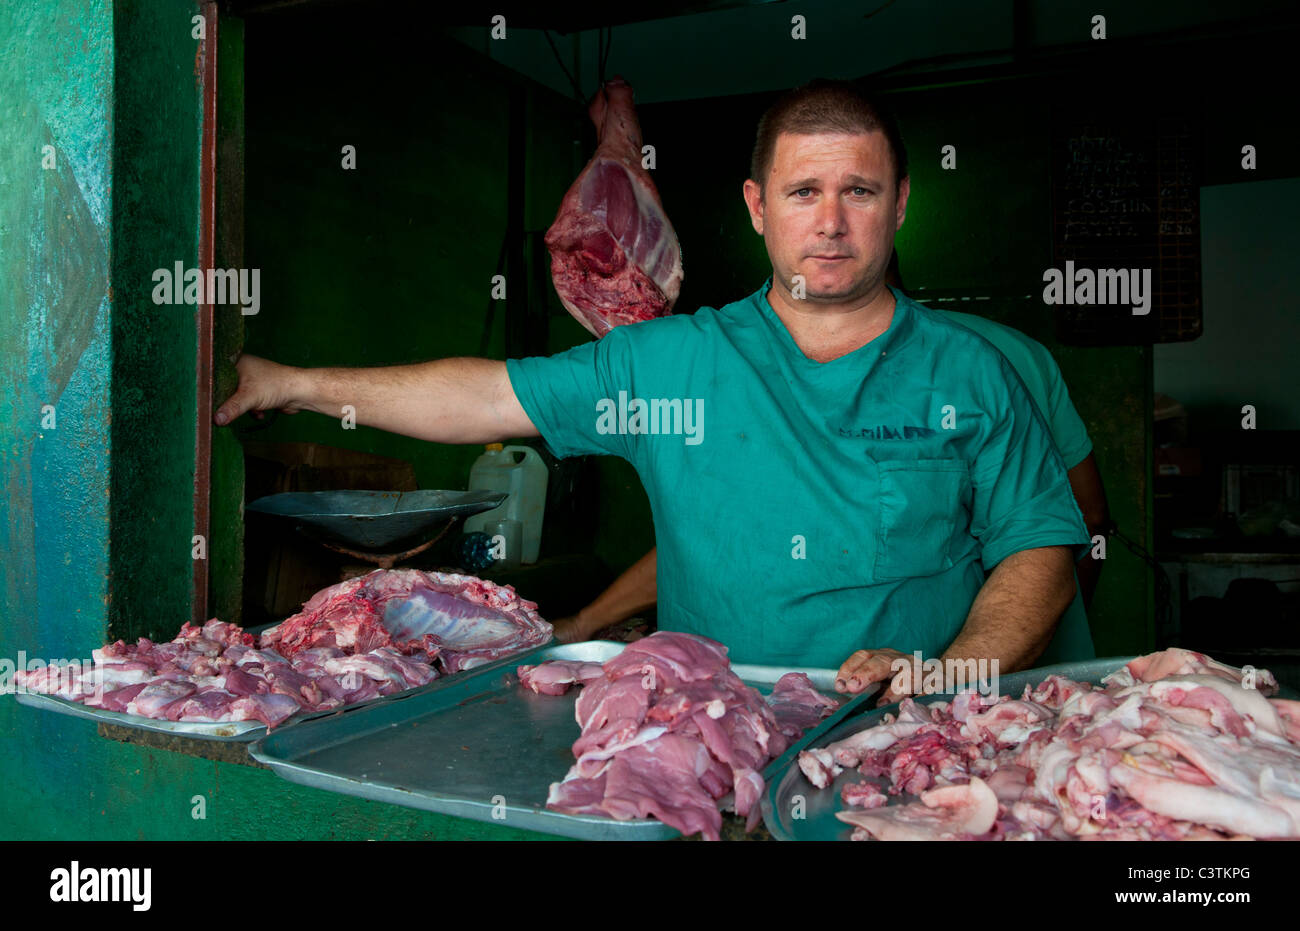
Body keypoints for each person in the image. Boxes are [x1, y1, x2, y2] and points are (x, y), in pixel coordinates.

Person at [214, 79, 1089, 704]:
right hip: (714, 732)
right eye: (803, 192)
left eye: (858, 191)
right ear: (757, 206)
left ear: (899, 204)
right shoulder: (672, 363)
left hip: (913, 734)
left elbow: (1042, 546)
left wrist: (955, 667)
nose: (830, 221)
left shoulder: (972, 373)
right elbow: (485, 398)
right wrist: (292, 381)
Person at [553, 251, 1112, 691]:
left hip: (961, 684)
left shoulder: (982, 365)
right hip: (990, 669)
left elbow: (1067, 531)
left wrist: (1002, 636)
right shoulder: (741, 367)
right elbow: (721, 539)